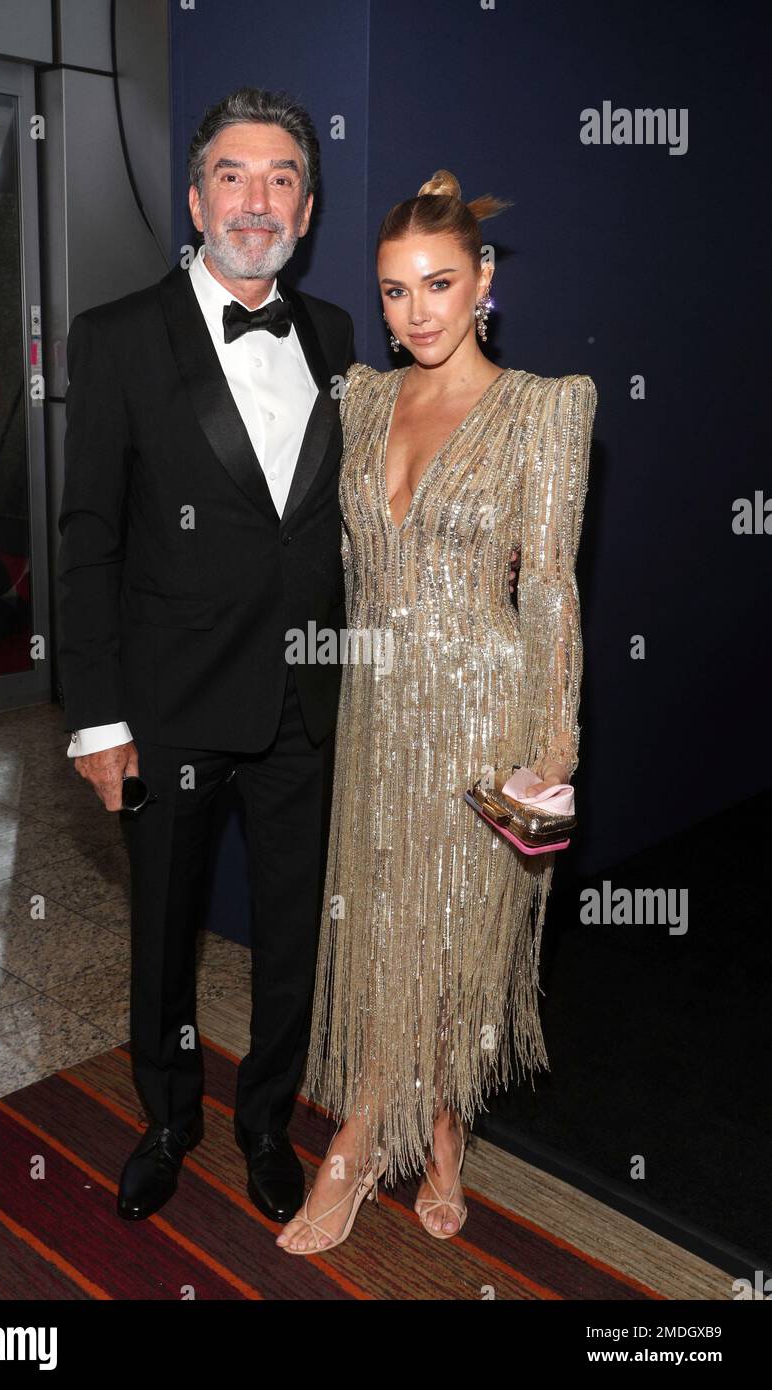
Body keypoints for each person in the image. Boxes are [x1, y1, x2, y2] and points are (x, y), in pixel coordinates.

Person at [276, 170, 597, 1253]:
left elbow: (549, 583)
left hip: (481, 716)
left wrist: (550, 746)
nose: (416, 313)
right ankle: (413, 1131)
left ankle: (380, 1137)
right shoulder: (364, 398)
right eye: (394, 290)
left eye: (438, 285)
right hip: (377, 717)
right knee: (380, 933)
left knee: (456, 944)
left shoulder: (543, 409)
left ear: (482, 283)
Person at [57, 88, 356, 1224]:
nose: (255, 199)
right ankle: (169, 1113)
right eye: (233, 175)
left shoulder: (332, 335)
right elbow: (88, 541)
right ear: (194, 197)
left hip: (303, 708)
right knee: (164, 936)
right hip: (169, 704)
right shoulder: (120, 335)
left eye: (281, 178)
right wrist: (98, 717)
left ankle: (266, 1121)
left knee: (291, 931)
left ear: (307, 209)